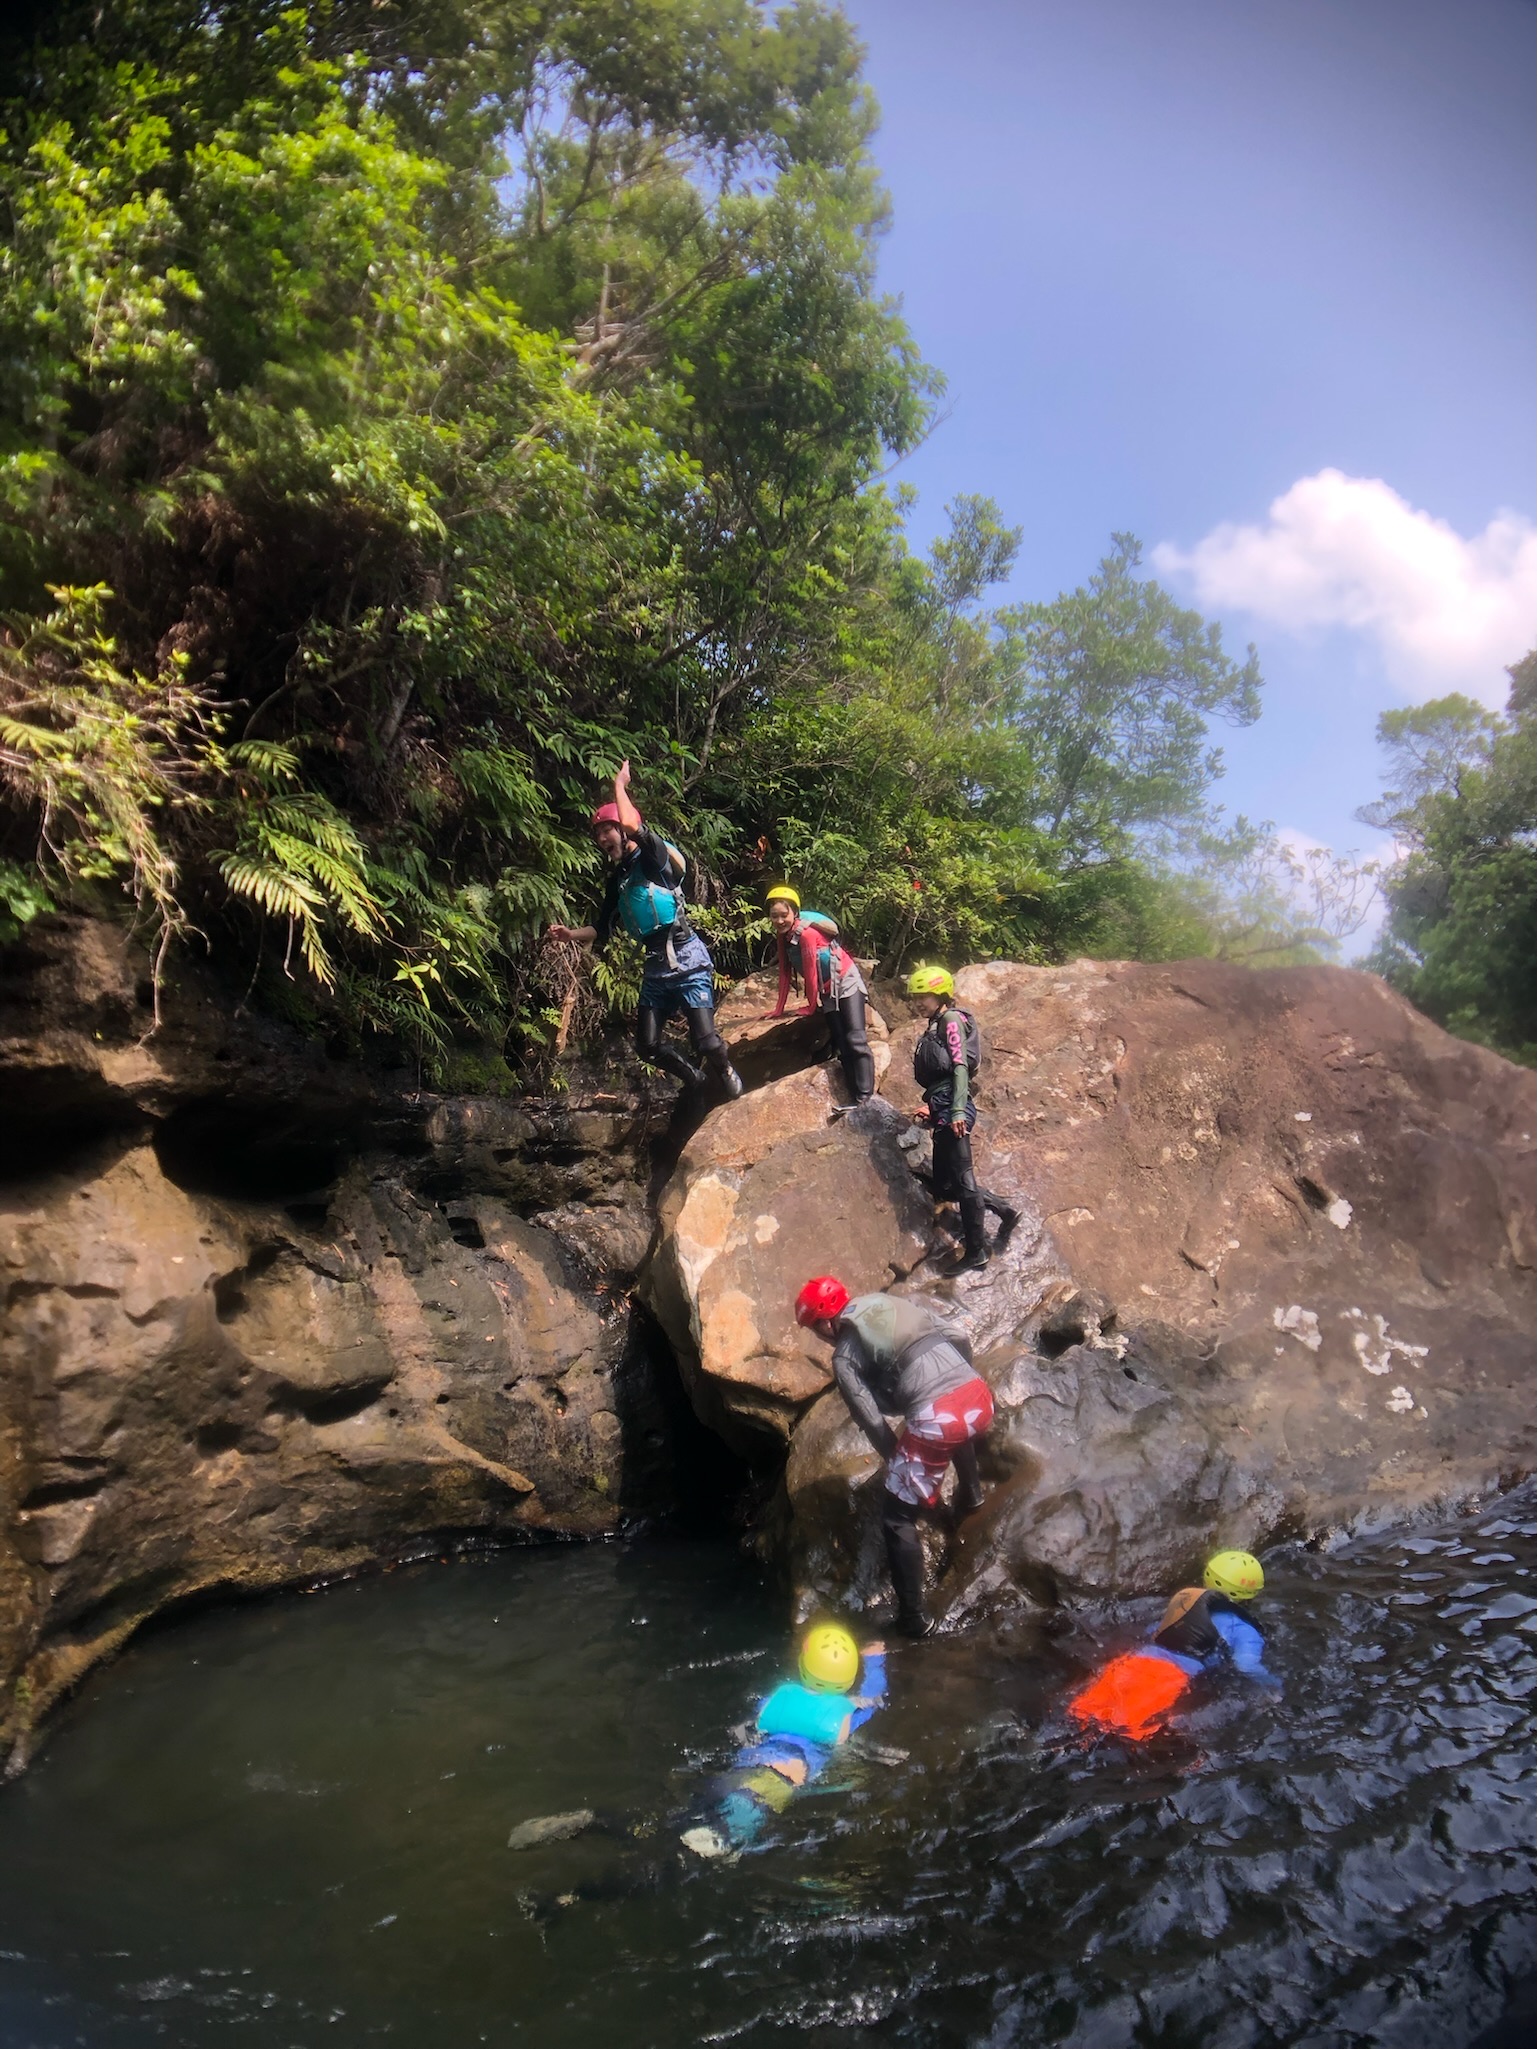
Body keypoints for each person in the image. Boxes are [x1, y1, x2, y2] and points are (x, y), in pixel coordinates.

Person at [796, 1276, 994, 1640]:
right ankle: (971, 1493)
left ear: (825, 1321)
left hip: (939, 1418)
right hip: (978, 1395)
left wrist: (897, 1459)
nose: (819, 1336)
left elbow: (871, 1418)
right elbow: (958, 1336)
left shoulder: (844, 1357)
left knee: (896, 1516)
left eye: (814, 1328)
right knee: (952, 1426)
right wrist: (961, 1376)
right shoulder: (889, 1304)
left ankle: (913, 1619)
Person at [548, 759, 743, 1100]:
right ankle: (695, 1080)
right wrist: (570, 935)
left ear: (623, 831)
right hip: (655, 970)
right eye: (597, 834)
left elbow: (632, 823)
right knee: (647, 1046)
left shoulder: (653, 857)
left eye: (606, 830)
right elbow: (602, 927)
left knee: (706, 1040)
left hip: (687, 958)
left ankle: (724, 1070)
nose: (601, 838)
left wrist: (620, 786)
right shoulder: (618, 880)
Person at [681, 1622, 889, 1860]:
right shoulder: (845, 1715)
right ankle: (725, 1840)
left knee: (705, 1802)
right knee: (750, 1807)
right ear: (850, 1679)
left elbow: (754, 1722)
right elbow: (875, 1694)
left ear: (802, 1667)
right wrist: (875, 1660)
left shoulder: (779, 1696)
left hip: (750, 1761)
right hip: (788, 1772)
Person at [1067, 1549, 1281, 1741]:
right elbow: (1246, 1666)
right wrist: (1273, 1686)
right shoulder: (1244, 1630)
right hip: (1174, 1675)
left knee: (1081, 1716)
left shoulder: (1185, 1606)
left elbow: (1153, 1631)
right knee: (1123, 1734)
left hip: (1138, 1659)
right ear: (1251, 1594)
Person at [906, 965, 1018, 1274]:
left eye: (924, 996)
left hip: (953, 1108)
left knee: (964, 1181)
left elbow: (959, 1067)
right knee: (946, 1184)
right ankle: (1003, 1209)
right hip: (941, 1104)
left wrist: (956, 1109)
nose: (919, 1002)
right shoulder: (936, 1024)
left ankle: (977, 1250)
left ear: (940, 994)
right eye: (916, 997)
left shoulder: (951, 1020)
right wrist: (933, 1105)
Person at [762, 885, 875, 1103]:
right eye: (774, 916)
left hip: (846, 981)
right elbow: (785, 972)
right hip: (827, 990)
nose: (779, 921)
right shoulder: (783, 937)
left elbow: (811, 972)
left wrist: (811, 1006)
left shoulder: (807, 934)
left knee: (856, 1040)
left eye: (783, 915)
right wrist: (778, 1009)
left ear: (794, 912)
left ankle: (866, 1099)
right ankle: (855, 1097)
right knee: (842, 1044)